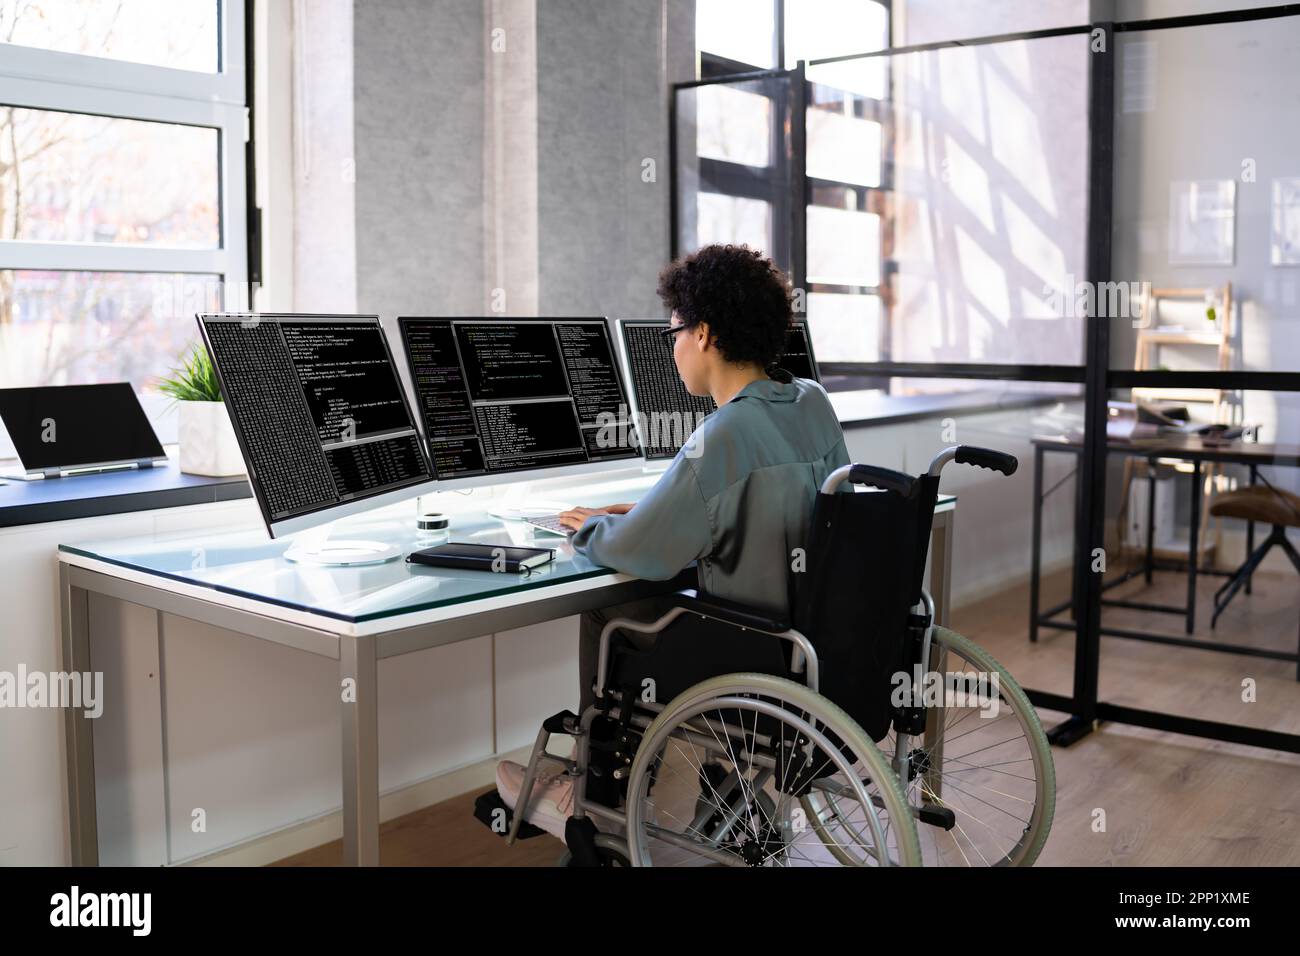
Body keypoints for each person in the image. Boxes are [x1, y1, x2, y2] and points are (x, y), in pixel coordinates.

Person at [495, 244, 850, 838]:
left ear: (705, 333)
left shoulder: (726, 432)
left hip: (751, 653)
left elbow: (642, 552)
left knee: (612, 611)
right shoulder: (812, 403)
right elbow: (776, 503)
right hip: (813, 643)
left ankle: (589, 794)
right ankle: (724, 796)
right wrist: (657, 510)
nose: (673, 346)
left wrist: (589, 524)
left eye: (675, 332)